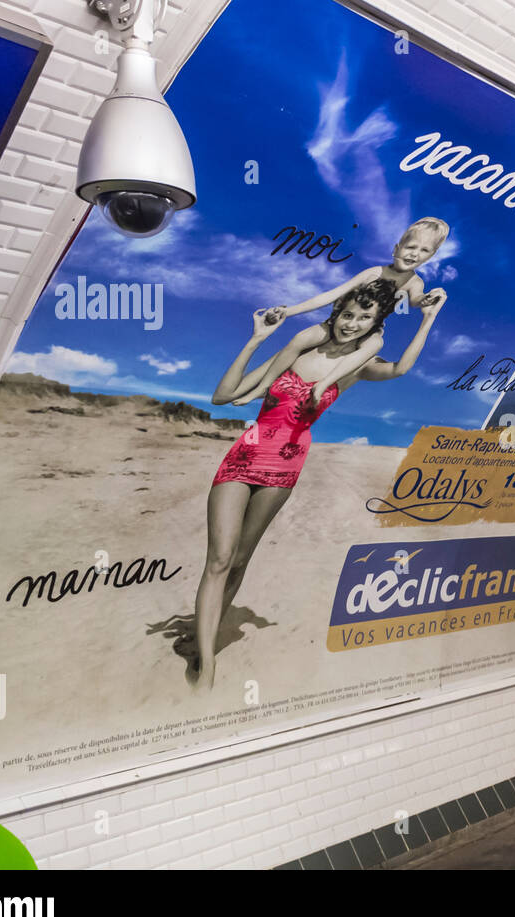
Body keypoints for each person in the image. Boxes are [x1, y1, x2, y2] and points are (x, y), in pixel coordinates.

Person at [189, 280, 447, 692]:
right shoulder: (299, 351)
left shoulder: (356, 369)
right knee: (219, 559)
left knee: (239, 562)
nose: (352, 324)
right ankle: (206, 668)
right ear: (336, 313)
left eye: (364, 319)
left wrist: (426, 320)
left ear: (374, 325)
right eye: (348, 315)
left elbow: (400, 369)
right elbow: (223, 395)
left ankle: (206, 631)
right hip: (244, 458)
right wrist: (257, 340)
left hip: (286, 469)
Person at [234, 217, 451, 407]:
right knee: (300, 338)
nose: (415, 254)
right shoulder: (374, 272)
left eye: (425, 251)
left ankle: (323, 385)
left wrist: (427, 298)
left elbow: (415, 301)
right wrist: (289, 312)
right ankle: (262, 388)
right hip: (337, 323)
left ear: (431, 257)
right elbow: (331, 295)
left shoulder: (415, 282)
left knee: (377, 343)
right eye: (411, 247)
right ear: (396, 248)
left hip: (371, 329)